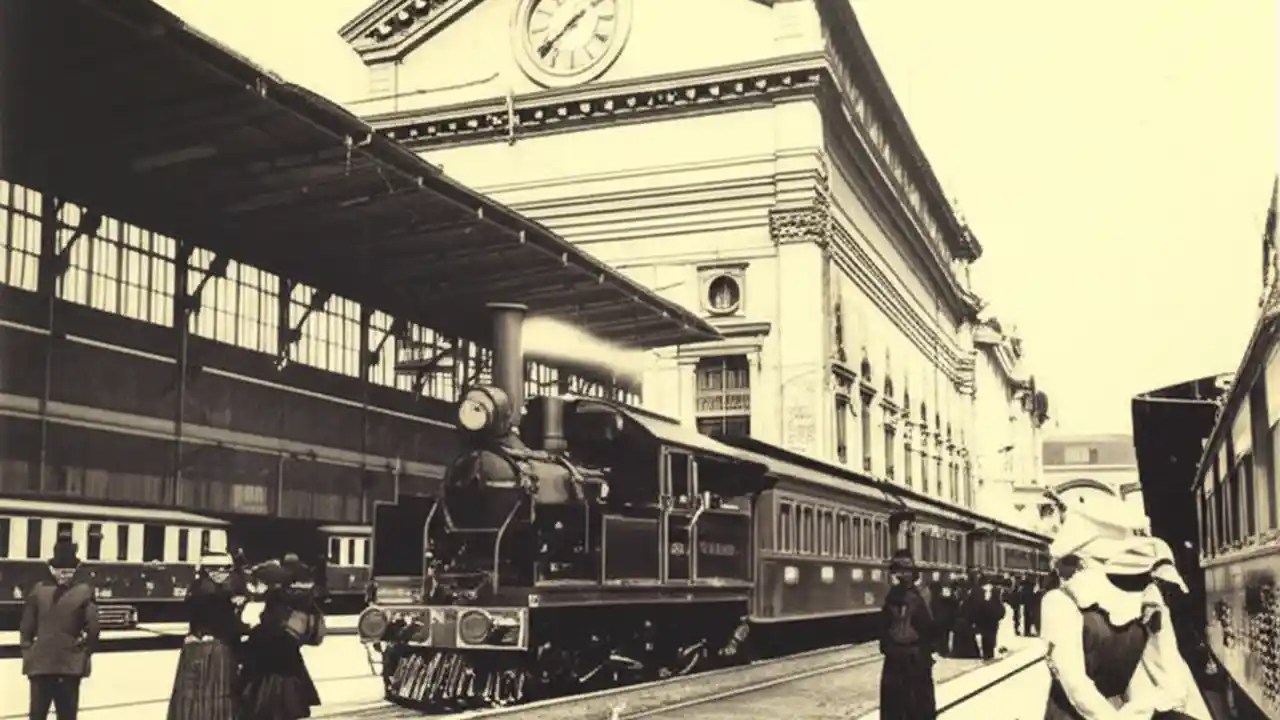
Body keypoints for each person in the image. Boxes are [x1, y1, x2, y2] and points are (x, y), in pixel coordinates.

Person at [1041, 501, 1203, 720]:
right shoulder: (1146, 598)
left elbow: (1077, 688)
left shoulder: (1060, 602)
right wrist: (1139, 711)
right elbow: (1171, 680)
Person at [20, 532, 99, 720]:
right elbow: (94, 629)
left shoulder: (38, 591)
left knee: (37, 715)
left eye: (67, 571)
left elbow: (25, 629)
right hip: (70, 667)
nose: (65, 574)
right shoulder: (84, 592)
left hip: (40, 666)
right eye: (63, 570)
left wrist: (30, 654)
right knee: (67, 716)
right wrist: (84, 653)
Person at [167, 550, 250, 720]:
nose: (225, 573)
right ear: (210, 570)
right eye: (221, 569)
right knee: (216, 694)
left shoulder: (197, 589)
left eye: (227, 569)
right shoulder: (215, 595)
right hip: (216, 649)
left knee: (193, 695)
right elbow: (226, 624)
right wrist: (243, 625)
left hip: (194, 649)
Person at [240, 553, 324, 720]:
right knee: (289, 703)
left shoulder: (275, 598)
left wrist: (250, 636)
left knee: (269, 704)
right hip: (289, 655)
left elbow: (270, 626)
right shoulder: (296, 596)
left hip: (272, 659)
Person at [878, 549, 937, 720]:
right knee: (902, 704)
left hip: (912, 655)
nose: (899, 575)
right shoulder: (896, 594)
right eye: (897, 571)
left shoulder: (920, 594)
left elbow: (929, 623)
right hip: (901, 655)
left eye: (903, 571)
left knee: (911, 704)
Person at [929, 580, 959, 657]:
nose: (946, 591)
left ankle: (943, 650)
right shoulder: (939, 599)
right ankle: (943, 650)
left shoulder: (950, 600)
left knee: (945, 635)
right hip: (942, 620)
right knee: (943, 636)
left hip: (946, 620)